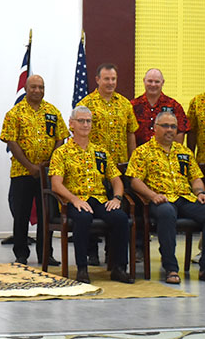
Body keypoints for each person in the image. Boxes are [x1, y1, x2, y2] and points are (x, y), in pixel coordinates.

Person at [124, 111, 205, 284]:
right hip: (160, 199)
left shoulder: (184, 152)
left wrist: (200, 193)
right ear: (155, 128)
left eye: (173, 127)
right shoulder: (143, 152)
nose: (170, 130)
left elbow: (195, 178)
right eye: (165, 126)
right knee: (167, 212)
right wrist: (152, 195)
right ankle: (170, 268)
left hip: (186, 198)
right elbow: (135, 181)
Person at [48, 106, 133, 284]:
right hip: (73, 201)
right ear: (71, 124)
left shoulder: (100, 152)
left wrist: (117, 198)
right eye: (81, 121)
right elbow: (56, 184)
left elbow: (116, 180)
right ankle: (82, 269)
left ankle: (119, 268)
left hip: (99, 200)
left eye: (88, 121)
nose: (85, 124)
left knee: (120, 217)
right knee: (83, 217)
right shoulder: (62, 152)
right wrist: (74, 199)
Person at [0, 74, 67, 266]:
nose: (38, 91)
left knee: (47, 215)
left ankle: (46, 252)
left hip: (47, 174)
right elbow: (11, 141)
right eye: (34, 87)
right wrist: (30, 166)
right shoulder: (15, 113)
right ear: (26, 89)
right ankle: (21, 254)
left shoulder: (53, 112)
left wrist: (47, 165)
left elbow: (60, 138)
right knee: (21, 214)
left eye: (41, 87)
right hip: (22, 172)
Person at [77, 63, 136, 264]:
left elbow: (131, 133)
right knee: (91, 206)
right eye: (106, 79)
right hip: (93, 166)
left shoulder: (125, 104)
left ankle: (114, 255)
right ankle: (91, 252)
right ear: (97, 80)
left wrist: (132, 161)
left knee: (115, 209)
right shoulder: (87, 103)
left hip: (118, 167)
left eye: (113, 79)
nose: (110, 83)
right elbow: (81, 133)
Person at [131, 68, 189, 146]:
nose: (153, 84)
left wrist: (173, 153)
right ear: (144, 81)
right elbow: (129, 133)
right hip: (139, 156)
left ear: (163, 82)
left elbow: (180, 131)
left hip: (165, 156)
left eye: (157, 82)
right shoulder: (133, 106)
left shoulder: (174, 106)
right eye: (150, 81)